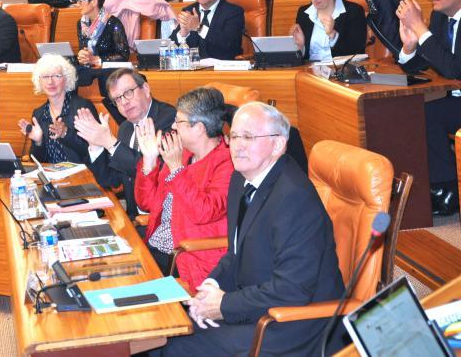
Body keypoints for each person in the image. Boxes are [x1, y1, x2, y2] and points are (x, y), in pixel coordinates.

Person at [159, 102, 344, 356]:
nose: (238, 145)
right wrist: (210, 287)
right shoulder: (241, 178)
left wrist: (224, 304)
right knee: (168, 330)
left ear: (278, 144)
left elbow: (292, 290)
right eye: (234, 136)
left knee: (177, 347)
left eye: (248, 137)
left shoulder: (294, 198)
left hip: (293, 324)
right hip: (254, 302)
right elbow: (235, 252)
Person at [134, 87, 233, 290]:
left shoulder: (227, 163)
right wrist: (150, 161)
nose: (173, 126)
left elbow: (203, 212)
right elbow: (147, 203)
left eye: (178, 121)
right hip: (157, 246)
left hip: (188, 257)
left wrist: (177, 169)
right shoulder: (184, 154)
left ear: (198, 128)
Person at [397, 0, 461, 215]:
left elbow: (454, 69)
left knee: (428, 114)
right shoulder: (440, 18)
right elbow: (426, 66)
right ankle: (434, 186)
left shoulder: (432, 21)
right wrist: (409, 47)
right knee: (409, 110)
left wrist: (421, 29)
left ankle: (447, 191)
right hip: (454, 97)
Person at [74, 68, 177, 217]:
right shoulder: (126, 128)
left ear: (146, 89)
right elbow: (111, 180)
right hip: (133, 218)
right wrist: (96, 145)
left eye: (128, 92)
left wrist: (110, 143)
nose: (124, 103)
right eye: (117, 99)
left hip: (160, 219)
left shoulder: (168, 119)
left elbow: (158, 173)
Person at [18, 54, 99, 164]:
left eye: (56, 76)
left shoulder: (82, 108)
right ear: (39, 82)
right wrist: (38, 141)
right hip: (52, 176)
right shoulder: (39, 114)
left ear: (66, 79)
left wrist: (66, 134)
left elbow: (94, 151)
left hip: (82, 176)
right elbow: (37, 161)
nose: (50, 82)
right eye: (45, 77)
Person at [290, 0, 367, 61]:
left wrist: (333, 35)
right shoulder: (303, 13)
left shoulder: (353, 12)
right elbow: (302, 59)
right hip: (310, 72)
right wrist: (300, 47)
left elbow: (356, 53)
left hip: (339, 71)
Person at [168, 0, 244, 60]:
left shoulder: (233, 12)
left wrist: (199, 28)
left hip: (222, 70)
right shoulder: (189, 11)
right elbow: (170, 45)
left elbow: (229, 44)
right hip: (193, 70)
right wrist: (183, 33)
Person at [75, 0, 130, 66]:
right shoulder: (81, 23)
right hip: (88, 69)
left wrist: (96, 60)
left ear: (94, 2)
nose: (77, 4)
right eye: (77, 1)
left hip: (107, 71)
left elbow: (123, 55)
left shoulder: (113, 23)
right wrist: (82, 56)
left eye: (81, 1)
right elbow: (82, 48)